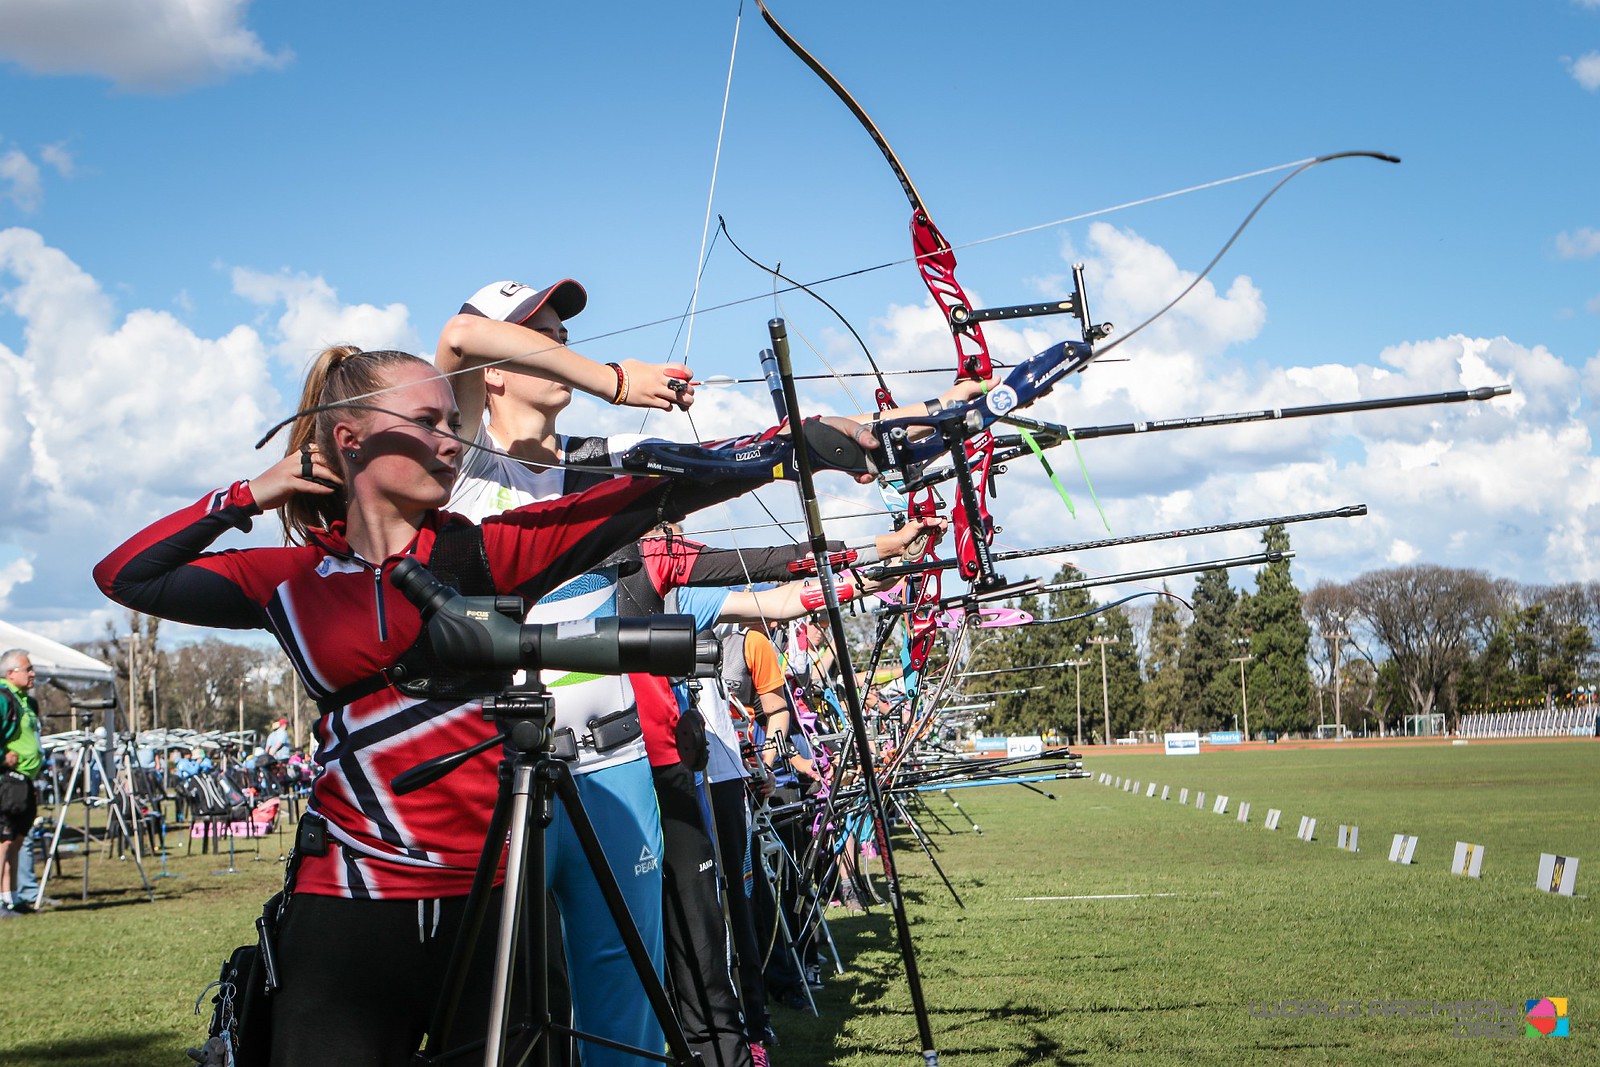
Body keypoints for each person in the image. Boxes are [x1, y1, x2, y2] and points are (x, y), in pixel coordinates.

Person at [94, 342, 877, 1067]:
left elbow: (653, 492)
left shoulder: (484, 549)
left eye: (452, 421)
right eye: (427, 422)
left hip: (496, 909)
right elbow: (126, 574)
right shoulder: (290, 580)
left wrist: (791, 446)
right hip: (348, 912)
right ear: (350, 441)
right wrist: (249, 493)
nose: (450, 441)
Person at [439, 280, 947, 1067]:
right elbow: (458, 339)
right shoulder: (463, 462)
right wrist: (611, 378)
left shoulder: (593, 464)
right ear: (498, 373)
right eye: (539, 336)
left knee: (627, 1005)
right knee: (506, 1017)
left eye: (563, 334)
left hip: (614, 765)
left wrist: (834, 436)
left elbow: (718, 467)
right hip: (503, 769)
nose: (559, 345)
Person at [0, 649, 42, 916]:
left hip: (25, 780)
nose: (32, 673)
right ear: (10, 673)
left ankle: (12, 898)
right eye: (28, 669)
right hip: (7, 779)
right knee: (3, 840)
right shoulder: (3, 698)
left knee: (16, 840)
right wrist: (2, 756)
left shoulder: (26, 701)